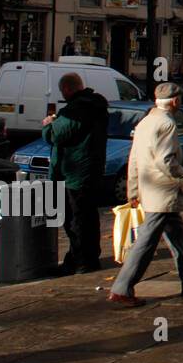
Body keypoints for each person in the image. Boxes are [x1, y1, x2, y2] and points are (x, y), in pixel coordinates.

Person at [108, 83, 183, 307]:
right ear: (174, 102)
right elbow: (166, 161)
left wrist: (133, 190)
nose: (180, 104)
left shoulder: (145, 122)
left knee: (180, 238)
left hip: (149, 189)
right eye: (179, 100)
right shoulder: (166, 123)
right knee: (145, 242)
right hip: (163, 192)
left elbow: (133, 159)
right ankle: (122, 288)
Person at [41, 72, 108, 274]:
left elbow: (55, 134)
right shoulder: (94, 106)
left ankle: (83, 260)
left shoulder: (78, 108)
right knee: (86, 216)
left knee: (76, 219)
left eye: (63, 91)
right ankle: (81, 257)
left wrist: (48, 123)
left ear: (68, 89)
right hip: (88, 170)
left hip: (75, 173)